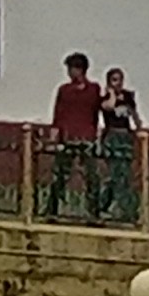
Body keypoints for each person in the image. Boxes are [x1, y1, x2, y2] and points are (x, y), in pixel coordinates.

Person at [40, 54, 99, 220]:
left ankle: (94, 213)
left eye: (72, 69)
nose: (70, 73)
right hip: (67, 137)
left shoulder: (93, 90)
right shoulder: (64, 90)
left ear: (80, 70)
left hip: (86, 137)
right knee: (60, 175)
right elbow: (58, 115)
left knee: (91, 177)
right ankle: (52, 210)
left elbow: (96, 113)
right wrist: (54, 136)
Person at [95, 68, 141, 222]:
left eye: (120, 79)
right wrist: (112, 93)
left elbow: (134, 115)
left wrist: (139, 130)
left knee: (125, 174)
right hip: (112, 136)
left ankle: (127, 210)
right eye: (114, 80)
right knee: (114, 173)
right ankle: (103, 206)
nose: (118, 83)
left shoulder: (128, 96)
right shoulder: (104, 97)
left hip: (125, 135)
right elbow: (108, 107)